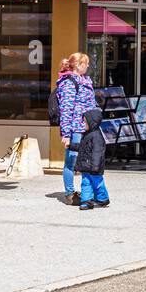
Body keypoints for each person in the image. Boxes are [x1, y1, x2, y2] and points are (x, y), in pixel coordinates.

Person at [55, 53, 96, 206]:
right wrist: (66, 134)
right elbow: (66, 109)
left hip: (87, 127)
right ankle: (70, 194)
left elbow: (91, 103)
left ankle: (87, 193)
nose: (88, 66)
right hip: (75, 129)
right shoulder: (69, 83)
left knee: (88, 161)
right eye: (86, 63)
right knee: (71, 162)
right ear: (78, 65)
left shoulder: (85, 81)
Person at [75, 90, 110, 211]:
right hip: (86, 166)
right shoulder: (86, 135)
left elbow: (97, 153)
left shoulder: (96, 137)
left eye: (84, 122)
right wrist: (77, 164)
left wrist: (95, 167)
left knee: (97, 183)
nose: (83, 124)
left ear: (92, 122)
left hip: (94, 168)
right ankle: (86, 201)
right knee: (85, 183)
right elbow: (81, 150)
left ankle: (102, 198)